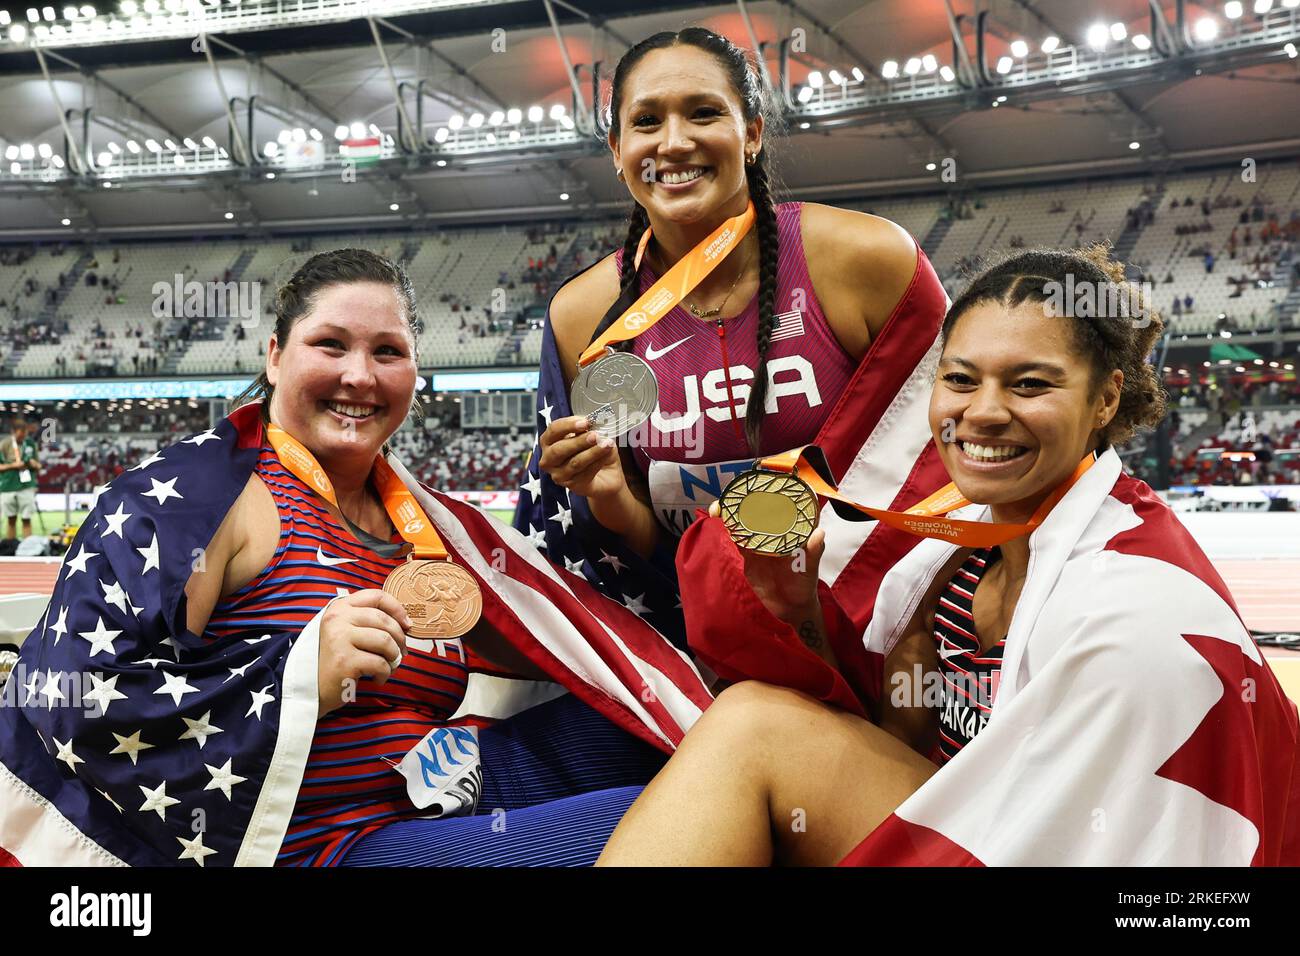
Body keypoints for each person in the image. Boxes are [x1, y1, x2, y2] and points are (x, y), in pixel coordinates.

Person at [0, 249, 710, 868]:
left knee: (712, 730)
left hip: (438, 789)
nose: (361, 377)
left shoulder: (431, 525)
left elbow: (578, 650)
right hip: (323, 840)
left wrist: (612, 498)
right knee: (707, 812)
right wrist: (296, 672)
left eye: (388, 352)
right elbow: (67, 693)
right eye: (330, 345)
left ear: (416, 373)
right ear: (275, 355)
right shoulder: (203, 498)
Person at [598, 247, 1300, 866]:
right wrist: (797, 602)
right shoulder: (949, 558)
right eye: (961, 379)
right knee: (752, 719)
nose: (983, 412)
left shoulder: (1135, 612)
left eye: (1030, 384)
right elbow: (899, 739)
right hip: (972, 813)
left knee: (748, 734)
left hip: (1032, 842)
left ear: (1104, 399)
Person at [515, 27, 949, 649]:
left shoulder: (869, 262)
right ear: (617, 149)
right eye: (646, 121)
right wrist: (610, 497)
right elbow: (632, 547)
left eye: (703, 112)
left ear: (752, 131)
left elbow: (946, 466)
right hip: (691, 639)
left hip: (877, 632)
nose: (674, 142)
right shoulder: (581, 316)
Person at [0, 418, 40, 541]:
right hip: (8, 486)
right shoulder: (4, 444)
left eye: (25, 434)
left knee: (26, 518)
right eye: (20, 435)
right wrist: (13, 465)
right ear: (14, 432)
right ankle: (11, 548)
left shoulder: (30, 443)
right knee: (11, 519)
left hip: (26, 486)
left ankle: (28, 549)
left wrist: (34, 464)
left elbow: (38, 465)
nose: (23, 437)